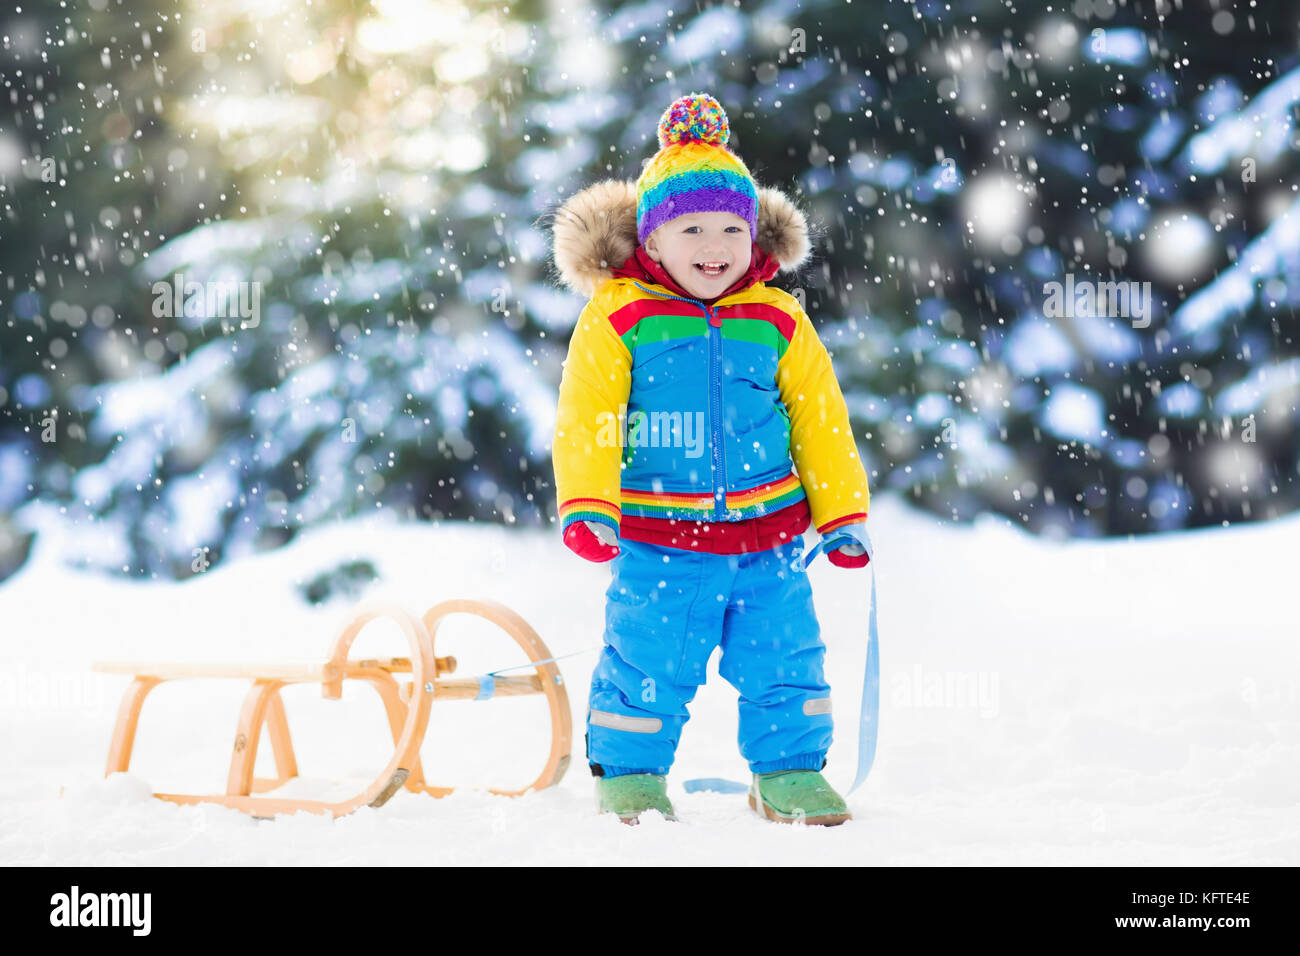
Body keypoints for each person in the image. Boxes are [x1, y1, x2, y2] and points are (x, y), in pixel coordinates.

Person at [549, 92, 872, 826]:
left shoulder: (779, 317)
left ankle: (788, 771)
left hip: (771, 539)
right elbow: (589, 412)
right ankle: (631, 773)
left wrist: (841, 514)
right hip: (662, 537)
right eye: (691, 227)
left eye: (732, 226)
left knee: (787, 660)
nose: (715, 243)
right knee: (647, 663)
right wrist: (588, 503)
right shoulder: (621, 314)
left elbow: (819, 419)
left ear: (754, 234)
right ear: (653, 241)